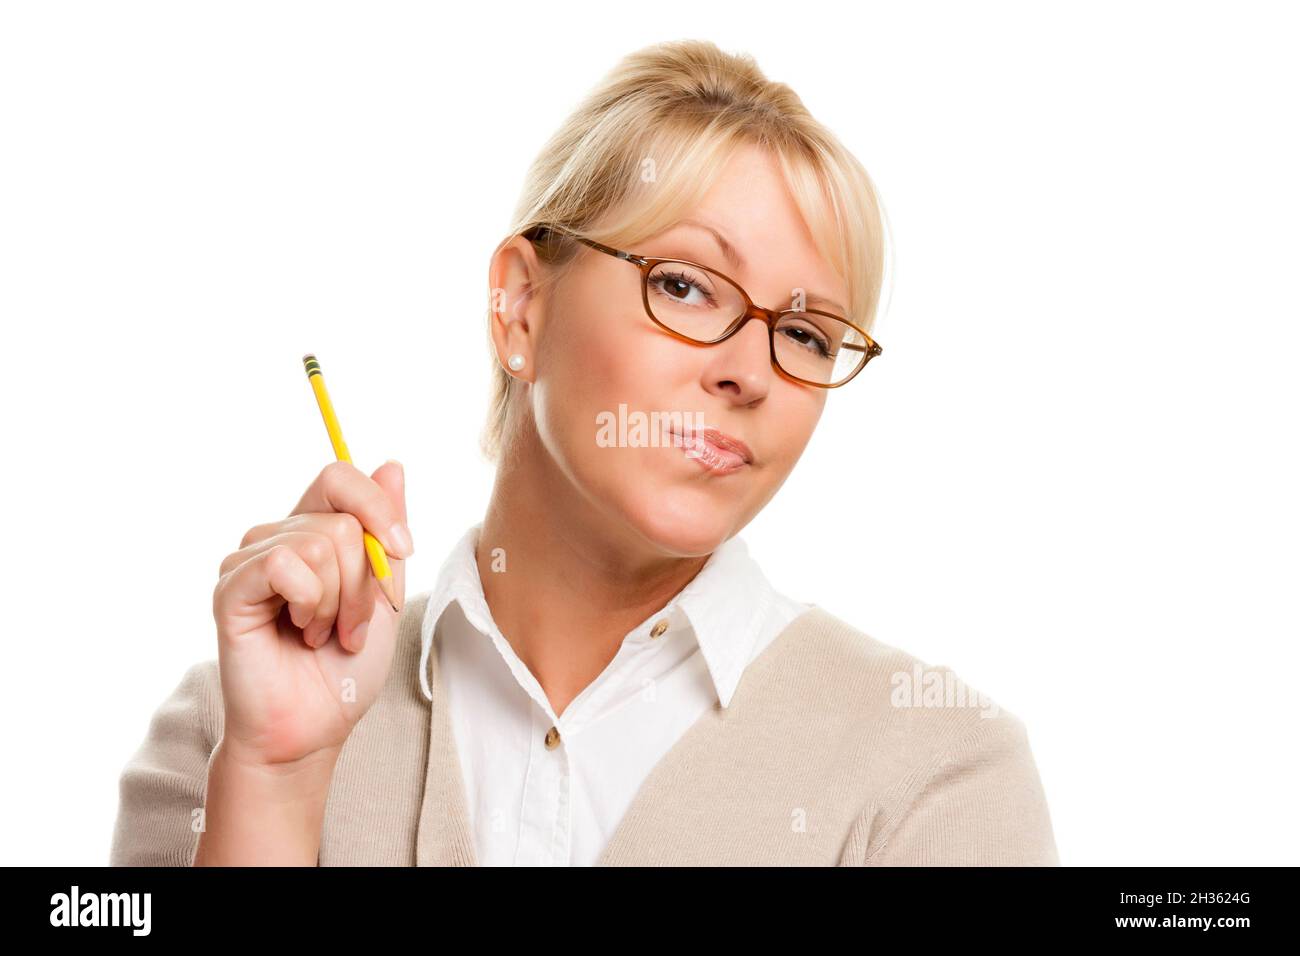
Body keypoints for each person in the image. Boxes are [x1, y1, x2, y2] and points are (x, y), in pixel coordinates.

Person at [110, 38, 1058, 866]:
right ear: (522, 305)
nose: (750, 372)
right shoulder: (227, 728)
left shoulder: (941, 774)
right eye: (687, 286)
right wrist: (273, 783)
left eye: (808, 336)